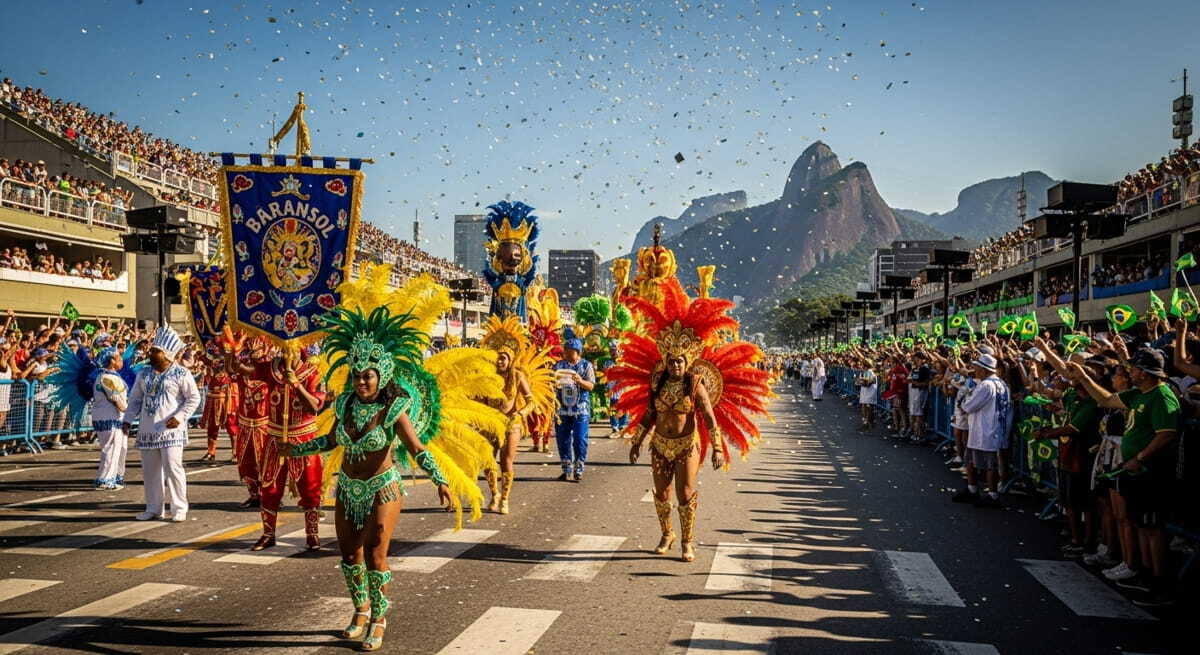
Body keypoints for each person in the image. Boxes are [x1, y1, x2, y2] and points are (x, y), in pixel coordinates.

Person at [282, 274, 504, 652]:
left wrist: (440, 479)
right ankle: (360, 610)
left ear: (381, 373)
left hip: (382, 487)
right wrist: (296, 449)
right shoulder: (347, 404)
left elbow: (416, 448)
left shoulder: (393, 408)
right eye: (356, 374)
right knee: (349, 555)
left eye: (368, 375)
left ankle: (379, 619)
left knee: (375, 554)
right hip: (349, 489)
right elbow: (331, 439)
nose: (361, 381)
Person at [610, 275, 770, 563]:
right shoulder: (657, 381)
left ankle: (686, 541)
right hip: (660, 443)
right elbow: (648, 413)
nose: (675, 365)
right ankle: (666, 533)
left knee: (684, 493)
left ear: (688, 361)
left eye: (680, 361)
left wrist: (719, 448)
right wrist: (637, 441)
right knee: (661, 493)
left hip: (686, 445)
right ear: (666, 360)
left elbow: (709, 418)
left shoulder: (695, 384)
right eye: (671, 360)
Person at [1067, 348, 1179, 607]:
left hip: (1151, 473)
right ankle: (1145, 575)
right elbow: (1106, 400)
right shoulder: (1139, 394)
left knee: (1153, 529)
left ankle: (1161, 585)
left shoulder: (1162, 397)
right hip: (1135, 473)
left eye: (1134, 368)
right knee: (1141, 525)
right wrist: (1084, 377)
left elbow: (1168, 433)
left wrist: (1140, 457)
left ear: (1146, 372)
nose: (1130, 371)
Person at [226, 340, 326, 551]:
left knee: (310, 488)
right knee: (269, 488)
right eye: (283, 349)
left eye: (290, 350)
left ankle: (312, 534)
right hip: (274, 438)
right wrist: (231, 351)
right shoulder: (271, 368)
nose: (285, 354)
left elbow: (315, 406)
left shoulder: (313, 372)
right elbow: (240, 369)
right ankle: (268, 534)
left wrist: (296, 384)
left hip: (303, 439)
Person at [123, 326, 201, 522]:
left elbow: (193, 398)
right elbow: (135, 399)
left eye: (155, 351)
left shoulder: (181, 373)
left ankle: (179, 507)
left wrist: (180, 417)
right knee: (150, 471)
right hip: (148, 429)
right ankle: (154, 508)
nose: (150, 353)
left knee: (173, 468)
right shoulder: (143, 373)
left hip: (171, 429)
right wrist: (127, 420)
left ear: (166, 354)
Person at [952, 353, 1010, 508]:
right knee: (972, 460)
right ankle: (973, 489)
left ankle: (992, 495)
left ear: (984, 370)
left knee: (990, 464)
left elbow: (968, 406)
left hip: (984, 429)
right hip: (993, 429)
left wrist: (964, 402)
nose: (974, 370)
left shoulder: (986, 386)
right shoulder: (1002, 384)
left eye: (977, 367)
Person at [553, 337, 595, 481]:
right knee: (562, 439)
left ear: (578, 352)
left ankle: (579, 466)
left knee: (579, 438)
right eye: (566, 350)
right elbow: (551, 383)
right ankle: (566, 468)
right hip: (562, 409)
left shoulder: (586, 366)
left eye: (570, 351)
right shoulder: (558, 366)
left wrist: (580, 381)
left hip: (580, 409)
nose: (567, 353)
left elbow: (591, 386)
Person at [91, 347, 128, 490]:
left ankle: (114, 477)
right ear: (112, 361)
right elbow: (117, 400)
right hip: (110, 418)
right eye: (118, 357)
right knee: (111, 449)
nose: (121, 360)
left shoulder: (107, 376)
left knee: (117, 448)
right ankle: (105, 480)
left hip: (111, 417)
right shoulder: (108, 378)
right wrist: (130, 410)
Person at [200, 347, 238, 463]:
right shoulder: (210, 362)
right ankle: (211, 452)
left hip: (227, 399)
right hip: (212, 399)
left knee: (232, 426)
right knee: (212, 427)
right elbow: (204, 358)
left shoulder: (231, 361)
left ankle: (235, 453)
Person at [856, 364, 878, 430]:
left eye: (862, 366)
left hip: (869, 393)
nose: (860, 367)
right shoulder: (867, 372)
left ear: (865, 366)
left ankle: (867, 424)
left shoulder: (869, 372)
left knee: (868, 408)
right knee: (867, 407)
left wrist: (859, 382)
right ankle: (869, 423)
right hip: (866, 393)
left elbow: (867, 384)